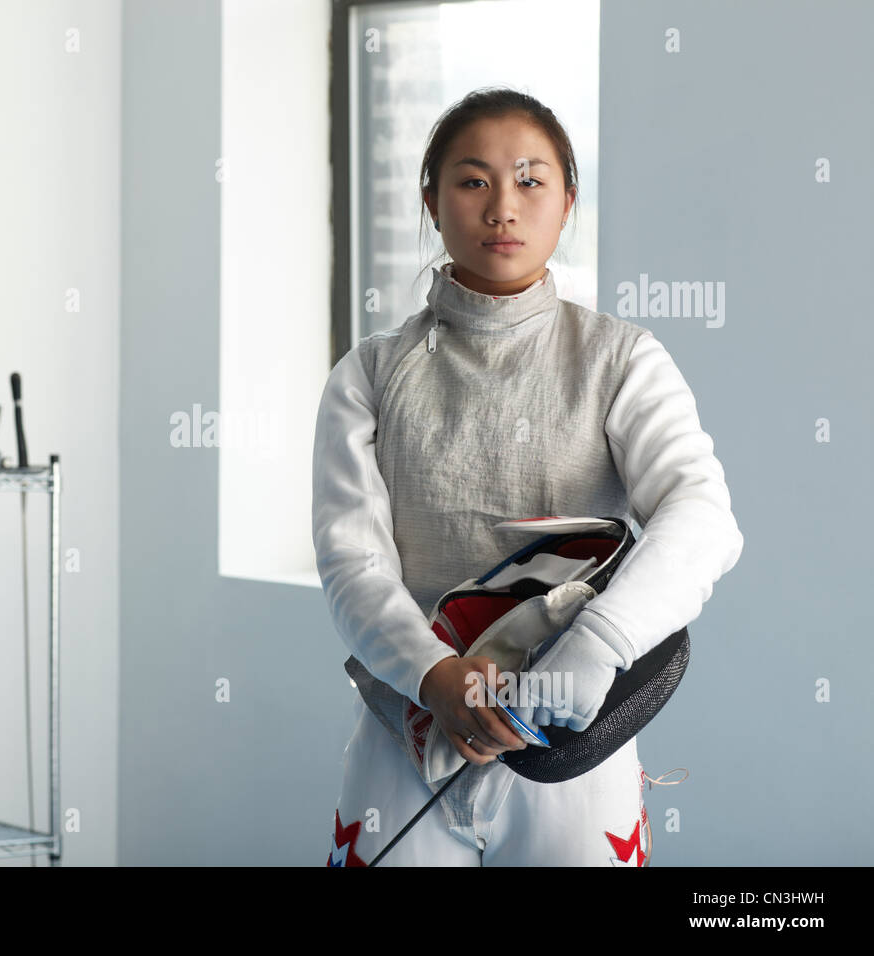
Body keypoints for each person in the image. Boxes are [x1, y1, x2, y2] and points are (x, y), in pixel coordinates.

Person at [313, 88, 744, 866]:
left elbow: (703, 515)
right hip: (404, 736)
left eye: (530, 180)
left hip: (569, 745)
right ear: (431, 201)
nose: (502, 207)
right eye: (474, 181)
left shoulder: (620, 360)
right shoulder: (368, 375)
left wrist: (600, 646)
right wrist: (435, 676)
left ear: (568, 200)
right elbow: (353, 560)